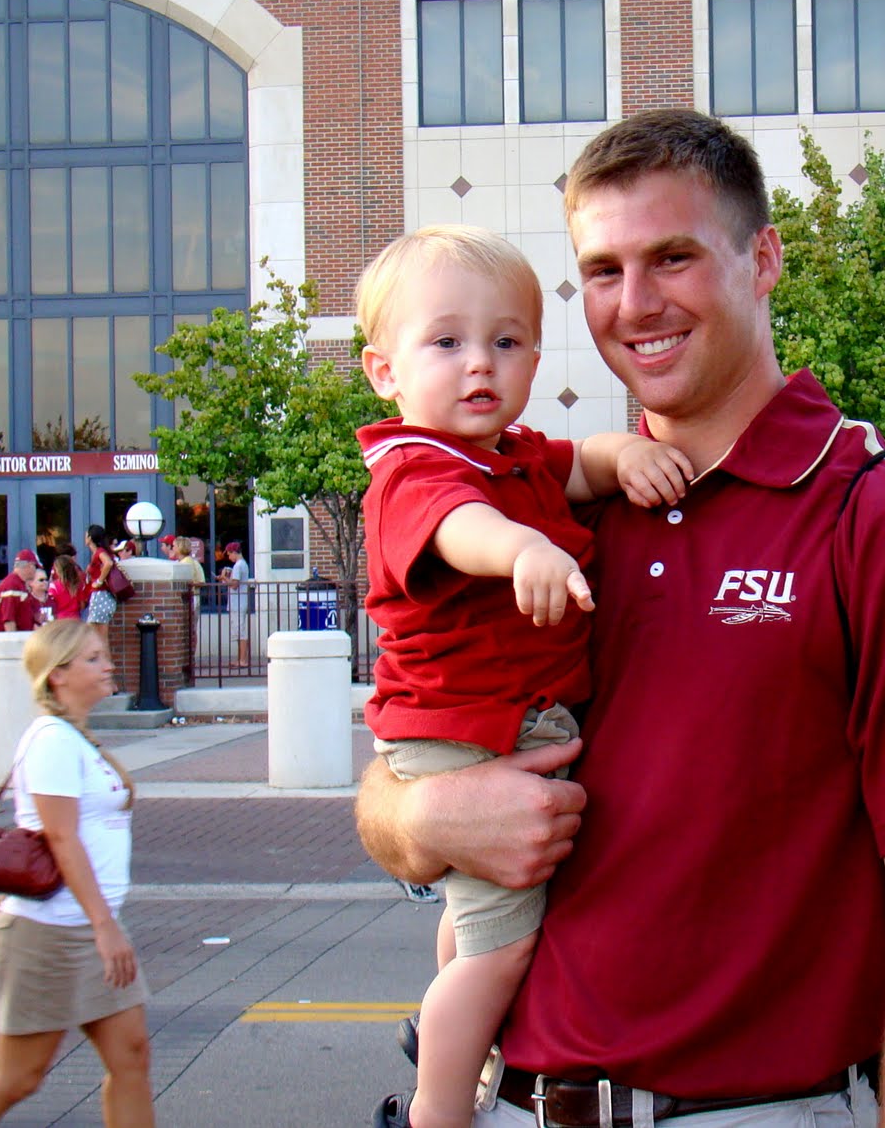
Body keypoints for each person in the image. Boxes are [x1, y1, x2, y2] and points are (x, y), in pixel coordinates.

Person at [360, 110, 885, 1128]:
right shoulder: (549, 506)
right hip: (512, 1102)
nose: (635, 305)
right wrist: (418, 817)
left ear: (762, 257)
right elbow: (412, 761)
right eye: (601, 270)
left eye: (671, 258)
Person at [355, 224, 691, 1128]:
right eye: (447, 341)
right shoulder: (415, 466)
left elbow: (579, 464)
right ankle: (437, 1107)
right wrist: (523, 550)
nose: (480, 365)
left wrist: (626, 456)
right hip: (463, 734)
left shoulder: (513, 453)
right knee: (498, 955)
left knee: (478, 921)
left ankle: (443, 1027)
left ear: (537, 355)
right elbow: (457, 525)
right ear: (384, 370)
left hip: (494, 724)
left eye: (506, 342)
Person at [0, 621, 152, 1127]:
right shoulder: (52, 740)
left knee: (132, 1058)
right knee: (18, 1077)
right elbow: (58, 837)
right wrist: (104, 926)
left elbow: (29, 834)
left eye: (104, 656)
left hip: (83, 927)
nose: (108, 666)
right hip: (53, 933)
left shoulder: (76, 738)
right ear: (57, 675)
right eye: (93, 659)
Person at [83, 525, 118, 640]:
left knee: (98, 637)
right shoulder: (97, 553)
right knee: (98, 637)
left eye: (86, 534)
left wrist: (99, 581)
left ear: (90, 537)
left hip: (101, 596)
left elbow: (108, 563)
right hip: (100, 597)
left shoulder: (99, 552)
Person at [221, 541, 250, 667]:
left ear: (234, 552)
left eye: (229, 554)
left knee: (241, 632)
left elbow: (234, 585)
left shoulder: (238, 566)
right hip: (239, 602)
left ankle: (243, 660)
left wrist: (223, 578)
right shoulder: (242, 564)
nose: (228, 557)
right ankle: (241, 659)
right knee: (239, 632)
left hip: (238, 602)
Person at [0, 550, 39, 634]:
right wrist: (13, 642)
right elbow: (8, 620)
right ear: (30, 565)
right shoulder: (11, 585)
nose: (35, 571)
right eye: (35, 566)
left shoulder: (19, 584)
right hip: (11, 641)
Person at [49, 554, 87, 622]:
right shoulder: (78, 584)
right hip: (76, 619)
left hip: (60, 620)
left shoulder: (53, 586)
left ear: (58, 570)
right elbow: (82, 606)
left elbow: (51, 606)